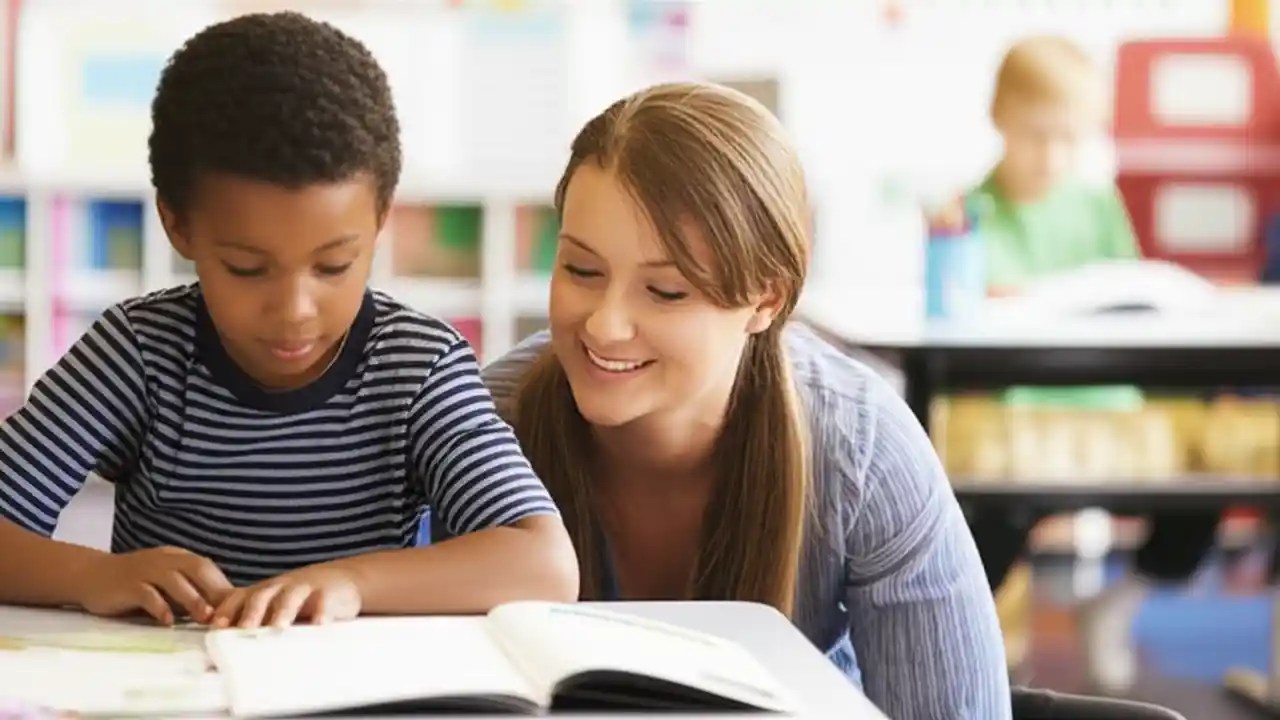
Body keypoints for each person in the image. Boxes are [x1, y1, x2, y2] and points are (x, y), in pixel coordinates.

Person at [0, 12, 577, 630]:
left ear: (381, 219)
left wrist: (352, 581)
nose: (295, 312)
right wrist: (91, 576)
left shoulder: (416, 367)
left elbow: (543, 563)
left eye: (333, 266)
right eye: (247, 269)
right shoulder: (139, 354)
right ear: (178, 224)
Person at [481, 81, 1010, 719]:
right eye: (581, 271)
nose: (604, 325)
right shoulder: (486, 420)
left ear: (765, 300)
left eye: (666, 291)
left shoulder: (862, 453)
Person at [963, 34, 1221, 692]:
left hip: (1114, 419)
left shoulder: (1097, 203)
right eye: (1037, 135)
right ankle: (968, 632)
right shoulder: (974, 211)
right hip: (1024, 430)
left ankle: (1120, 601)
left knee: (1205, 480)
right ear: (999, 119)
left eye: (1069, 139)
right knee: (992, 518)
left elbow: (1133, 293)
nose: (1053, 155)